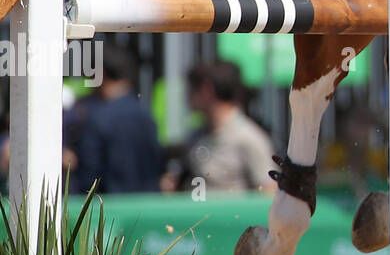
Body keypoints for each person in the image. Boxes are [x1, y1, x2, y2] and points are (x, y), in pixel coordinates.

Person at [167, 60, 275, 194]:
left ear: (207, 89)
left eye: (191, 90)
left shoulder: (249, 138)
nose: (187, 97)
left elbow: (268, 191)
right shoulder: (196, 136)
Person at [67, 44, 162, 195]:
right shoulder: (146, 117)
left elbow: (88, 178)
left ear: (101, 75)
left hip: (110, 211)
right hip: (147, 208)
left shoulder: (97, 120)